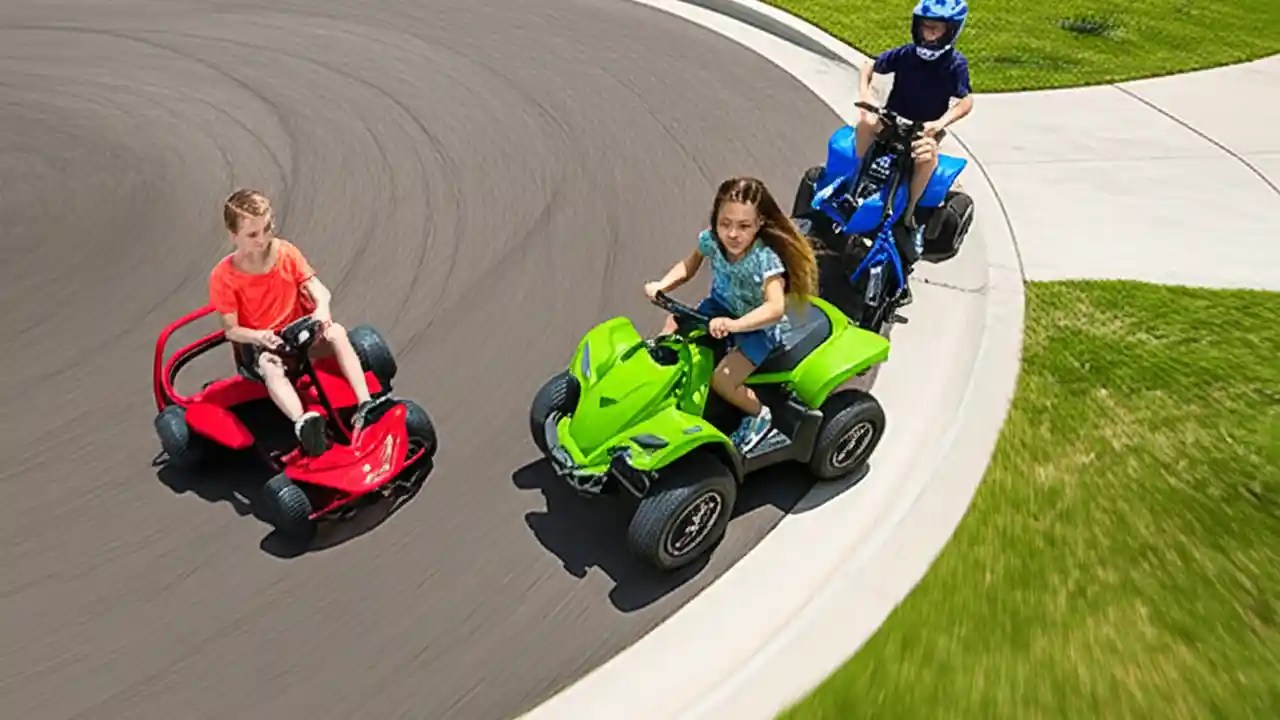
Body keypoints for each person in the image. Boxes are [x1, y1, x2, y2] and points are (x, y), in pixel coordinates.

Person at [208, 189, 390, 456]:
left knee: (337, 332)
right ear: (233, 236)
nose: (263, 239)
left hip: (302, 332)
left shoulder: (286, 253)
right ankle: (303, 422)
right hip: (265, 347)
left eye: (267, 229)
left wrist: (322, 309)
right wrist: (260, 337)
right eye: (252, 235)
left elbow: (318, 289)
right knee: (271, 368)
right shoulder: (224, 276)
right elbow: (232, 330)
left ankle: (365, 405)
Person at [643, 177, 818, 454]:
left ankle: (760, 415)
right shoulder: (710, 241)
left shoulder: (765, 259)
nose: (733, 234)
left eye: (744, 226)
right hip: (719, 307)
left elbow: (774, 308)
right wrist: (662, 285)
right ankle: (654, 383)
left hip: (757, 325)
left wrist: (735, 325)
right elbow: (688, 266)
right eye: (726, 224)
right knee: (673, 328)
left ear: (759, 223)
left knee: (723, 380)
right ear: (716, 220)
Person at [856, 0, 974, 248]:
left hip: (923, 129)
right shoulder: (905, 54)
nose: (929, 33)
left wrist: (940, 123)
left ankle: (910, 211)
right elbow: (869, 65)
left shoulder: (955, 64)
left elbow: (966, 100)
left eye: (936, 29)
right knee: (865, 123)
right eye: (925, 27)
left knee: (926, 157)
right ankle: (855, 181)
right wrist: (865, 94)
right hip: (891, 120)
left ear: (950, 31)